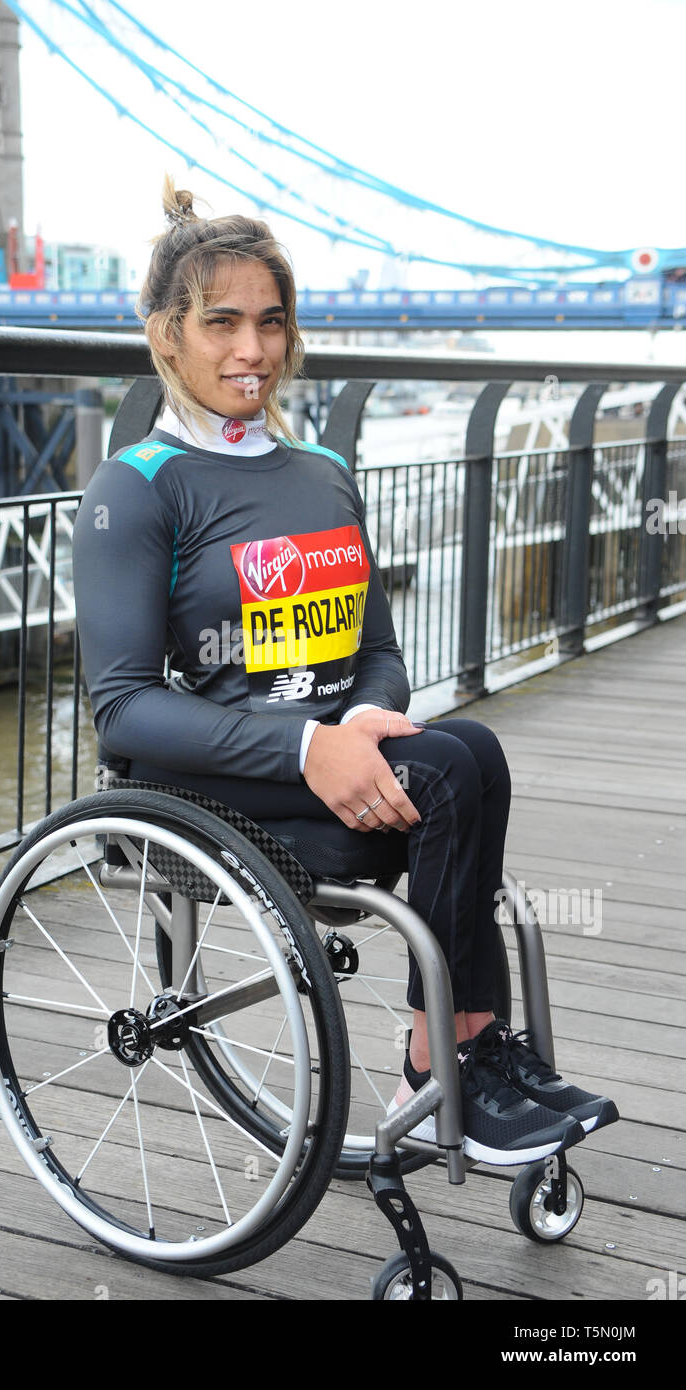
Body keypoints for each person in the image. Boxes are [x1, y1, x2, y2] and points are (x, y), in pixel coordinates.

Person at [72, 175, 617, 1166]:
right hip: (219, 782)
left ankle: (474, 1050)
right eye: (222, 323)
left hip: (337, 756)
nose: (251, 351)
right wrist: (308, 747)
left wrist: (362, 721)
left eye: (271, 323)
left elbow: (376, 653)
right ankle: (442, 1062)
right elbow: (121, 712)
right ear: (166, 335)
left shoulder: (320, 473)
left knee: (473, 753)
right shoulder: (136, 490)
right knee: (451, 772)